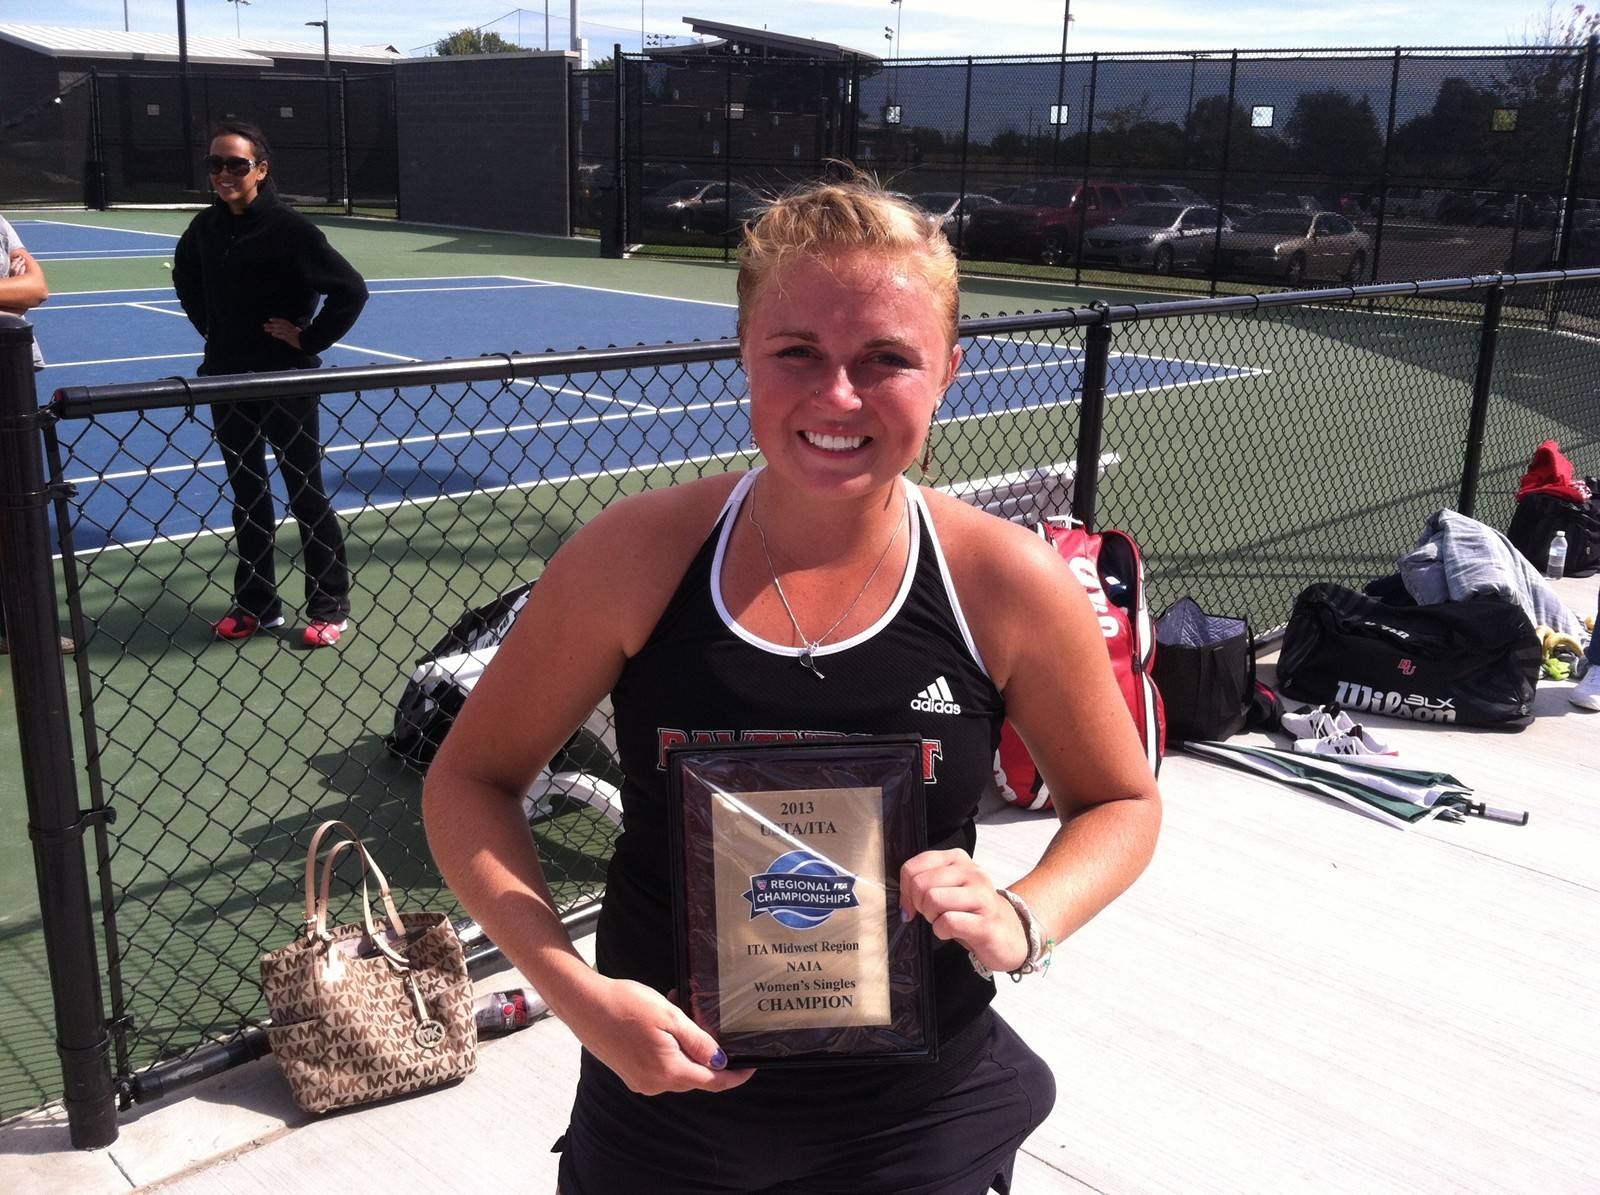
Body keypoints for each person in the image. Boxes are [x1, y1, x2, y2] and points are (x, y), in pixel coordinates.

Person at [422, 178, 1162, 1194]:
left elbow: (1119, 802)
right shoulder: (636, 555)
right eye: (797, 353)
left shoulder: (1004, 581)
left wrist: (1027, 914)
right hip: (667, 1108)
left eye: (886, 359)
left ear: (946, 368)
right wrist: (576, 992)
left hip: (915, 1115)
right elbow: (471, 779)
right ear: (745, 353)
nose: (838, 396)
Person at [172, 121, 367, 648]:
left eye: (236, 164)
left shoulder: (292, 230)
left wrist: (308, 340)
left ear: (261, 169)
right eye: (215, 164)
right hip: (225, 381)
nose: (224, 174)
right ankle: (258, 605)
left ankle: (329, 605)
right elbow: (186, 278)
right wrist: (212, 331)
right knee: (247, 495)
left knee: (306, 492)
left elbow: (351, 291)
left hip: (285, 381)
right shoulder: (205, 229)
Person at [0, 213, 75, 655]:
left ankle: (19, 625)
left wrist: (18, 293)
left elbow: (36, 289)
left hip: (10, 369)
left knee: (16, 503)